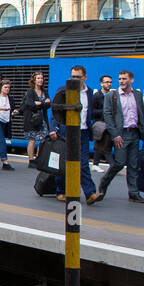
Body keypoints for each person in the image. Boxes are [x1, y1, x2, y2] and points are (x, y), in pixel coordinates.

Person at [48, 65, 99, 204]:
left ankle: (90, 193)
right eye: (73, 77)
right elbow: (56, 109)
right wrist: (53, 128)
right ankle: (61, 190)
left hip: (82, 132)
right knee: (63, 162)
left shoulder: (90, 92)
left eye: (78, 77)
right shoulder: (63, 90)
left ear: (85, 77)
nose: (75, 79)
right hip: (66, 131)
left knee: (83, 163)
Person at [99, 69, 144, 203]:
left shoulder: (137, 95)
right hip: (121, 135)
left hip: (134, 133)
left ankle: (133, 193)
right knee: (119, 163)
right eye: (120, 79)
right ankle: (104, 182)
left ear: (131, 80)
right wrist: (115, 135)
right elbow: (107, 116)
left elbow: (141, 115)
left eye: (124, 79)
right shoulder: (112, 95)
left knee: (133, 164)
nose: (121, 81)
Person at [21, 72, 52, 162]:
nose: (40, 80)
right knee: (32, 140)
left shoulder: (44, 91)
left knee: (43, 140)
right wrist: (43, 103)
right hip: (32, 119)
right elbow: (29, 104)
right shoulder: (30, 91)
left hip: (42, 119)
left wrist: (39, 103)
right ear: (34, 80)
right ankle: (31, 159)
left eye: (42, 78)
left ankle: (38, 157)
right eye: (38, 78)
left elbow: (49, 104)